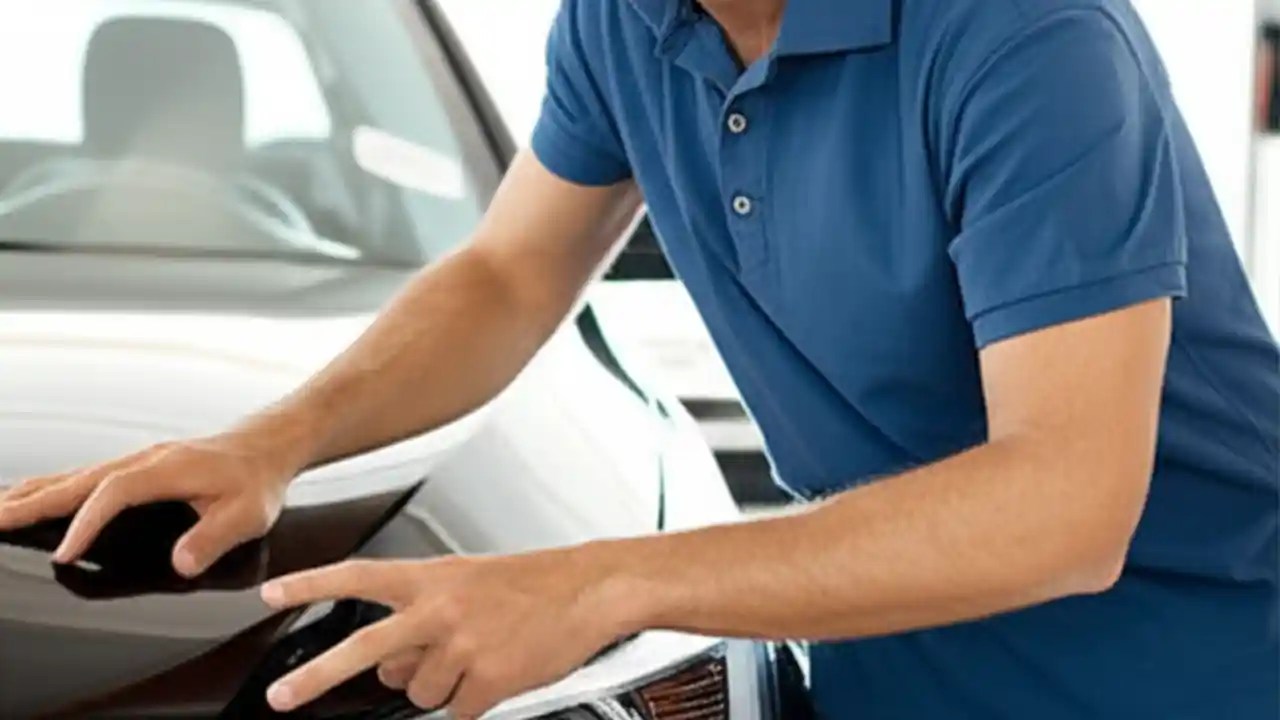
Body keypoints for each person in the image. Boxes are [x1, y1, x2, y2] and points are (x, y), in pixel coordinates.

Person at [2, 0, 1278, 717]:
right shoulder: (623, 19)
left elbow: (1067, 507)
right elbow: (508, 273)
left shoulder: (1026, 39)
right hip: (895, 669)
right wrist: (268, 444)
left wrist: (594, 587)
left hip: (1180, 675)